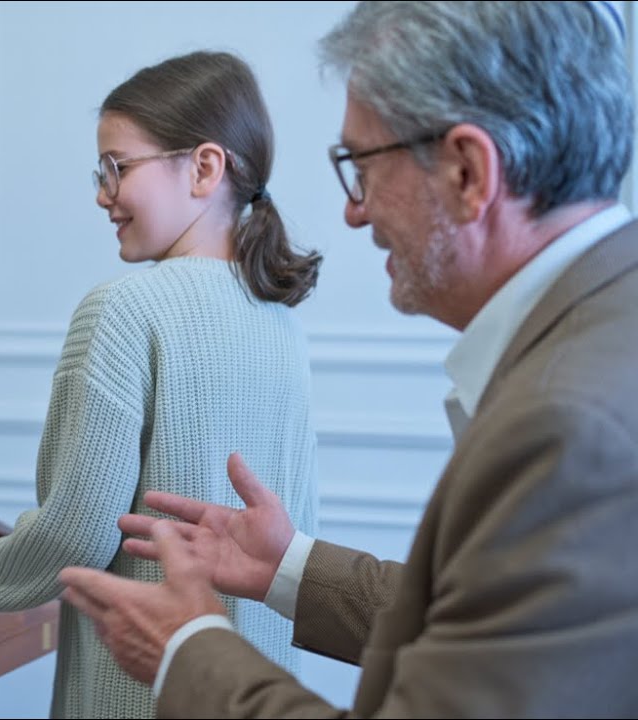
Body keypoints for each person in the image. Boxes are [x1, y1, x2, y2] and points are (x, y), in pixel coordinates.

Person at [58, 2, 638, 717]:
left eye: (360, 166)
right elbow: (492, 620)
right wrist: (288, 567)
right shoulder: (606, 333)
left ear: (466, 171)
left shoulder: (571, 425)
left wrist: (188, 651)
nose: (353, 213)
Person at [0, 50, 322, 718]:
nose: (101, 193)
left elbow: (79, 529)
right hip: (253, 685)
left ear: (205, 167)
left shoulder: (123, 309)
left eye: (118, 168)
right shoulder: (279, 320)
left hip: (146, 688)